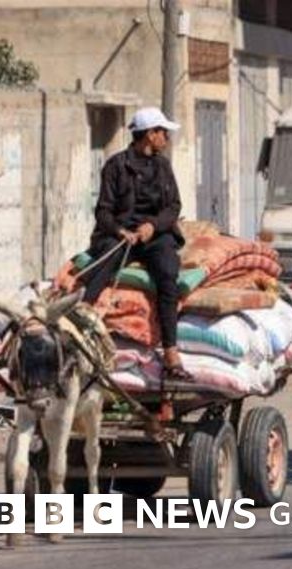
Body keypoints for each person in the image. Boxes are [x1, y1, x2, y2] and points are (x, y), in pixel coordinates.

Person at [81, 107, 191, 381]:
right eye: (162, 132)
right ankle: (79, 329)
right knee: (100, 269)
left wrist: (152, 226)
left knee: (167, 274)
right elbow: (103, 211)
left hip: (155, 236)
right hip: (119, 237)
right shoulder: (116, 165)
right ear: (149, 134)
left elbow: (174, 207)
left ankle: (171, 351)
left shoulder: (163, 166)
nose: (166, 137)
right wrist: (120, 231)